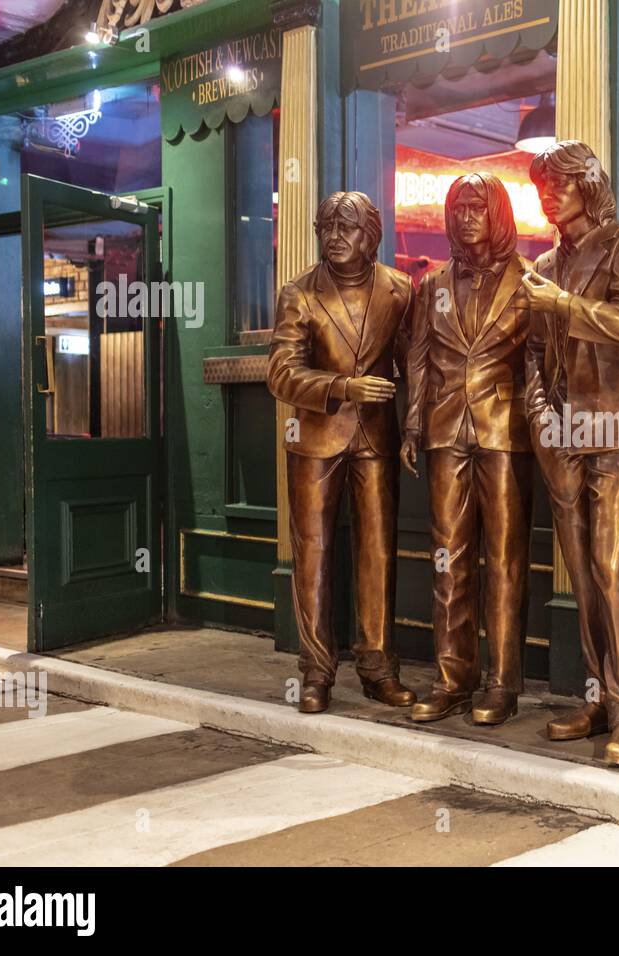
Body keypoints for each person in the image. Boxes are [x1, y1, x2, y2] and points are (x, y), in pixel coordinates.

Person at [519, 140, 619, 766]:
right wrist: (538, 418)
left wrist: (565, 307)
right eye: (541, 185)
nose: (549, 194)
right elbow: (531, 352)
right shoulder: (547, 262)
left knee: (614, 569)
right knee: (580, 575)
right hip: (562, 437)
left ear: (590, 183)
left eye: (560, 182)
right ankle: (598, 697)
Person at [267, 191, 416, 714]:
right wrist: (341, 388)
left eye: (347, 227)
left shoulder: (399, 289)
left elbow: (412, 364)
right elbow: (281, 372)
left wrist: (415, 422)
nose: (334, 235)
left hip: (377, 440)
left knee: (377, 554)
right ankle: (316, 671)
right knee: (314, 555)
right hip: (315, 440)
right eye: (326, 225)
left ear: (371, 235)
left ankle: (378, 667)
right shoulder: (299, 294)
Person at [400, 172, 535, 726]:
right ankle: (453, 677)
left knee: (505, 560)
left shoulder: (531, 280)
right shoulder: (431, 285)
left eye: (478, 206)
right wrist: (412, 426)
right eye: (458, 207)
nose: (467, 215)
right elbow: (418, 360)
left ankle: (503, 683)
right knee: (448, 559)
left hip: (506, 433)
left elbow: (540, 365)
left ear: (499, 213)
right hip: (445, 431)